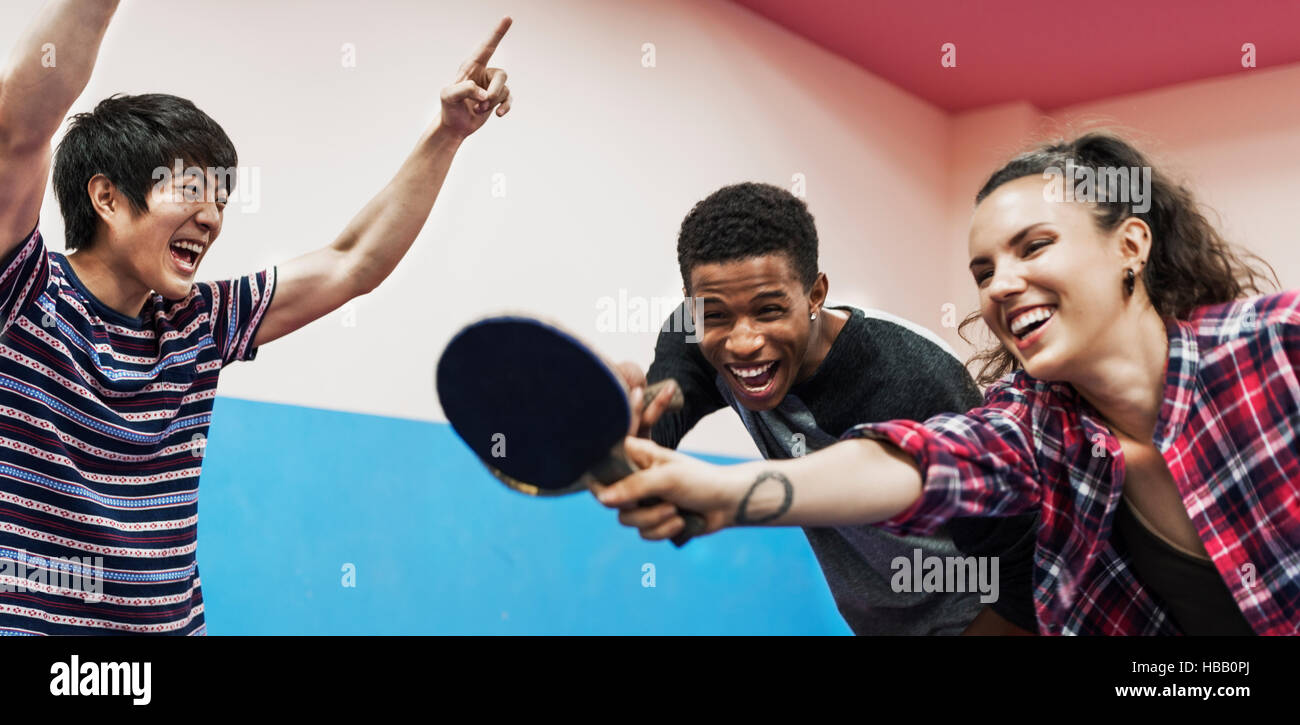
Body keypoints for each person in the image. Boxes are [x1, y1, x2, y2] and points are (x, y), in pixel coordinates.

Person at [594, 133, 1298, 635]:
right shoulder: (1038, 426)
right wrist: (714, 486)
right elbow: (918, 462)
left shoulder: (1271, 346)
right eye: (984, 270)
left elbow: (1005, 558)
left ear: (1131, 245)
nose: (1004, 283)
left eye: (1035, 246)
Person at [0, 0, 512, 634]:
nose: (212, 218)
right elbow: (16, 131)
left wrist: (449, 132)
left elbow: (353, 262)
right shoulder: (24, 293)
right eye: (190, 190)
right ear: (106, 196)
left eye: (220, 200)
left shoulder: (198, 323)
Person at [615, 182, 1038, 635]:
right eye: (714, 314)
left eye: (770, 310)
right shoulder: (695, 339)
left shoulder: (911, 374)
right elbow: (656, 427)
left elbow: (1022, 574)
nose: (743, 341)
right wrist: (617, 422)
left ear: (816, 294)